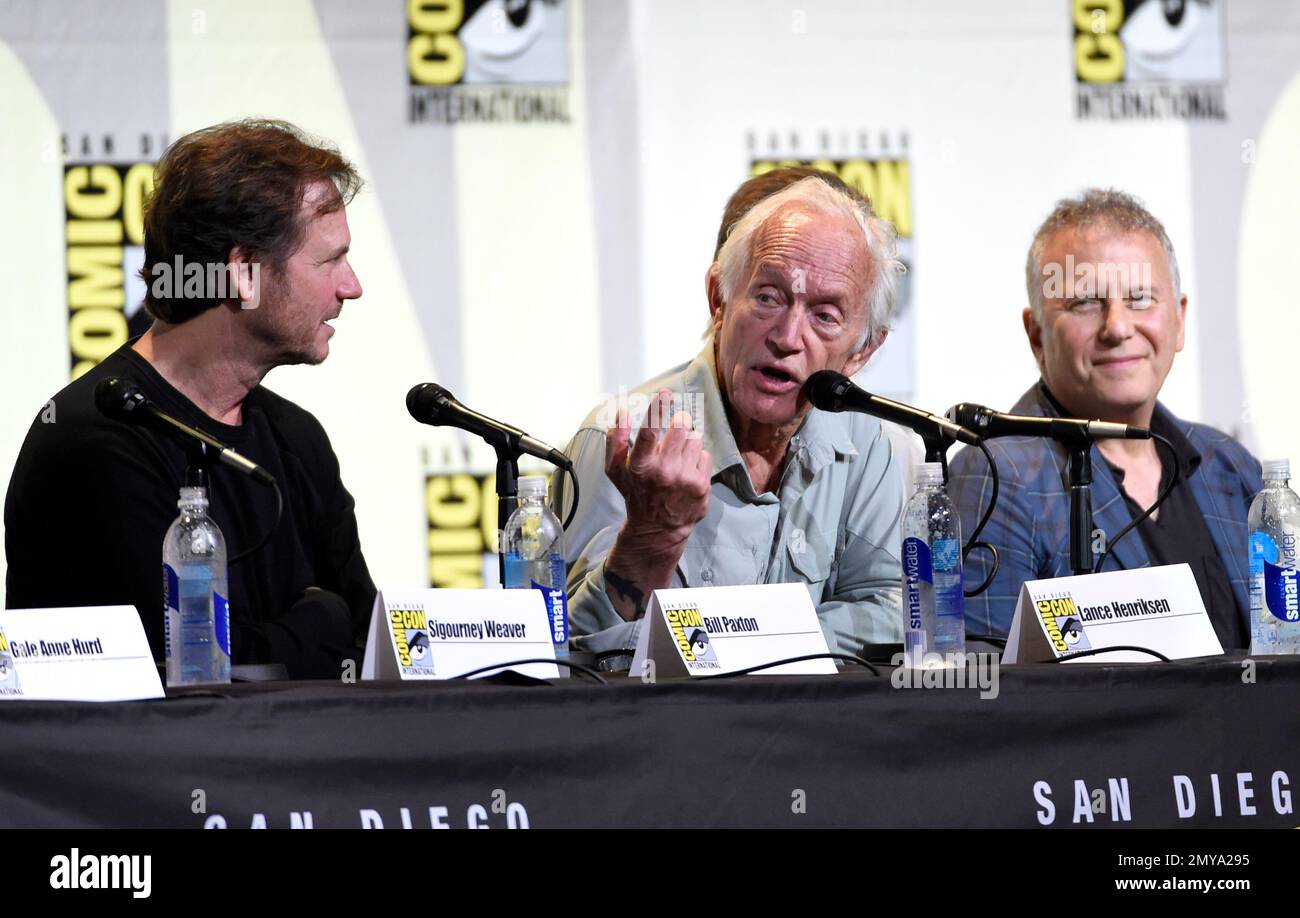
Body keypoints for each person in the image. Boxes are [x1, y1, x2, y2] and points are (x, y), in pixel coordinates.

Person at [4, 119, 376, 678]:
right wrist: (317, 623)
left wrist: (304, 635)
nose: (351, 286)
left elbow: (369, 644)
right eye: (329, 261)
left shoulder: (299, 441)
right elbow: (186, 670)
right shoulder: (94, 443)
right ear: (243, 272)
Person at [551, 173, 907, 657]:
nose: (787, 336)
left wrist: (747, 641)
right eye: (768, 297)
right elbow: (569, 656)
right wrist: (649, 543)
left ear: (863, 350)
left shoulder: (864, 441)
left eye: (825, 315)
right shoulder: (622, 438)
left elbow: (892, 611)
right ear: (719, 298)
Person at [948, 189, 1261, 649]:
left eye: (1140, 298)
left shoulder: (1230, 466)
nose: (1117, 327)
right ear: (1036, 335)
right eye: (1085, 303)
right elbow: (980, 692)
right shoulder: (995, 475)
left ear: (1179, 318)